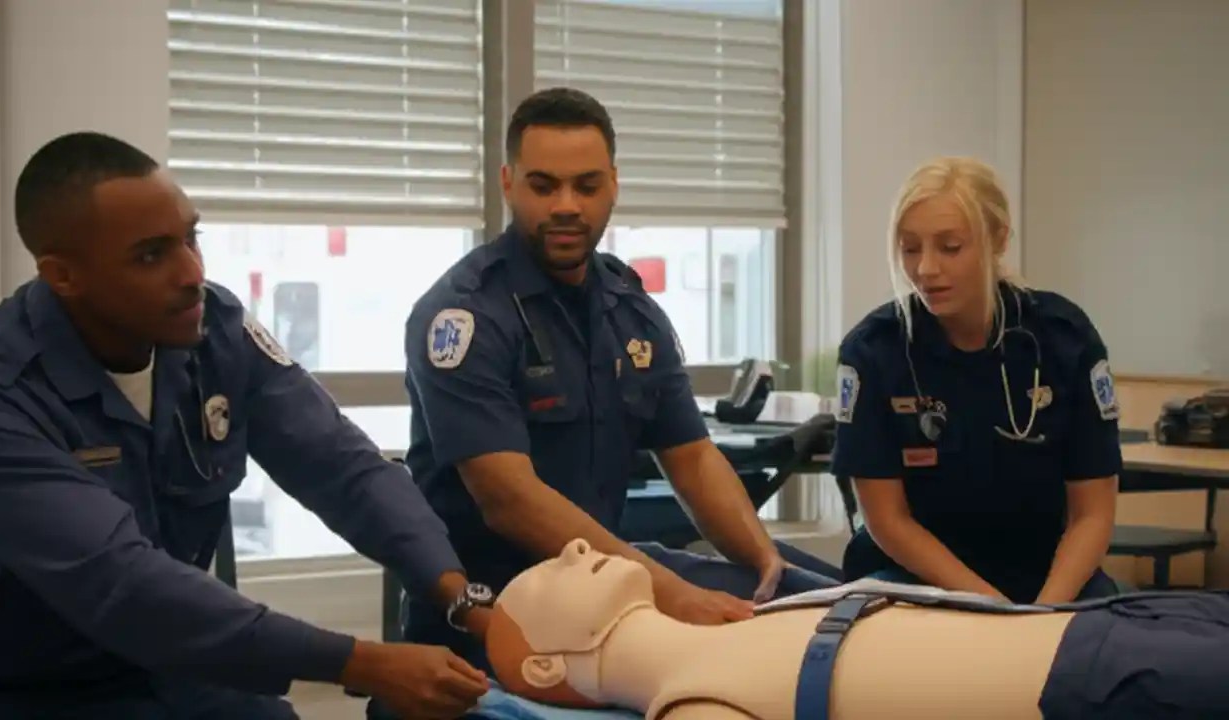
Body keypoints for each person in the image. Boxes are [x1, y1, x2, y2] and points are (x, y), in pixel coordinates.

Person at [0, 131, 492, 719]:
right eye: (150, 255)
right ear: (64, 276)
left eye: (191, 237)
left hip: (177, 673)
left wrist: (458, 595)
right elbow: (122, 584)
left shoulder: (216, 331)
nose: (191, 273)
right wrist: (358, 662)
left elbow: (343, 467)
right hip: (24, 692)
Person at [400, 87, 826, 672]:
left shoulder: (631, 308)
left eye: (587, 185)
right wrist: (670, 594)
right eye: (543, 186)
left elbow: (695, 460)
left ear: (614, 185)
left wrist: (762, 559)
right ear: (507, 183)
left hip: (611, 582)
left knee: (825, 600)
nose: (567, 205)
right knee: (735, 658)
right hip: (496, 603)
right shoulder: (464, 316)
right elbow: (510, 502)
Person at [479, 538, 1229, 720]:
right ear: (546, 668)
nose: (576, 547)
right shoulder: (690, 701)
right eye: (545, 577)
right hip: (1096, 684)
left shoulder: (742, 619)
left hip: (1112, 620)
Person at [830, 156, 1121, 605]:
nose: (926, 268)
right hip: (914, 580)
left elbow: (1092, 513)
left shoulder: (1064, 339)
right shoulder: (875, 351)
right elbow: (888, 520)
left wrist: (1043, 612)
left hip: (1050, 581)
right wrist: (993, 609)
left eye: (949, 247)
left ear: (998, 239)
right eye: (910, 248)